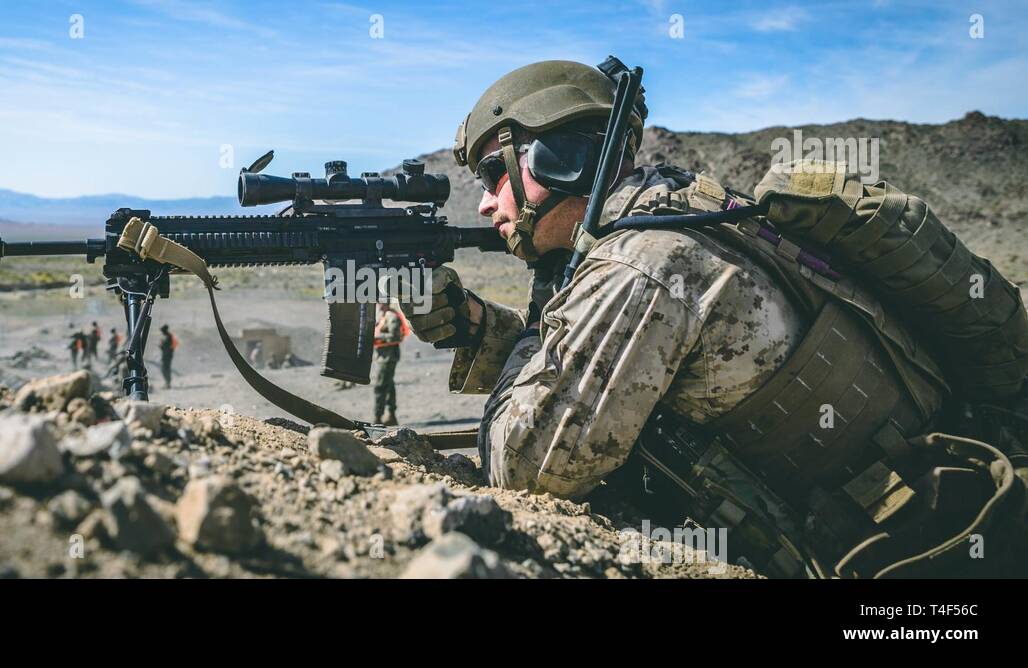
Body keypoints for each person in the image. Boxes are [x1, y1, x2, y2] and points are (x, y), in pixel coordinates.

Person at [400, 58, 1028, 577]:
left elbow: (528, 465)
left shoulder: (643, 262)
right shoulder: (682, 208)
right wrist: (487, 330)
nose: (484, 204)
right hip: (927, 497)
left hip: (908, 556)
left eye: (492, 174)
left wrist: (538, 322)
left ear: (554, 159)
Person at [372, 301, 409, 425]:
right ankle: (391, 416)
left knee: (380, 386)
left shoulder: (391, 316)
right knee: (389, 385)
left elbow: (395, 336)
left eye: (379, 302)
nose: (378, 304)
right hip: (383, 356)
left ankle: (378, 417)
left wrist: (376, 337)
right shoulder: (383, 316)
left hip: (388, 358)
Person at [158, 324, 179, 389]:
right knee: (164, 369)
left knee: (165, 369)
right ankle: (167, 383)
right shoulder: (166, 336)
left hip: (167, 355)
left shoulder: (168, 337)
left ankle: (168, 383)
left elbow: (169, 346)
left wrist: (162, 346)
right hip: (165, 355)